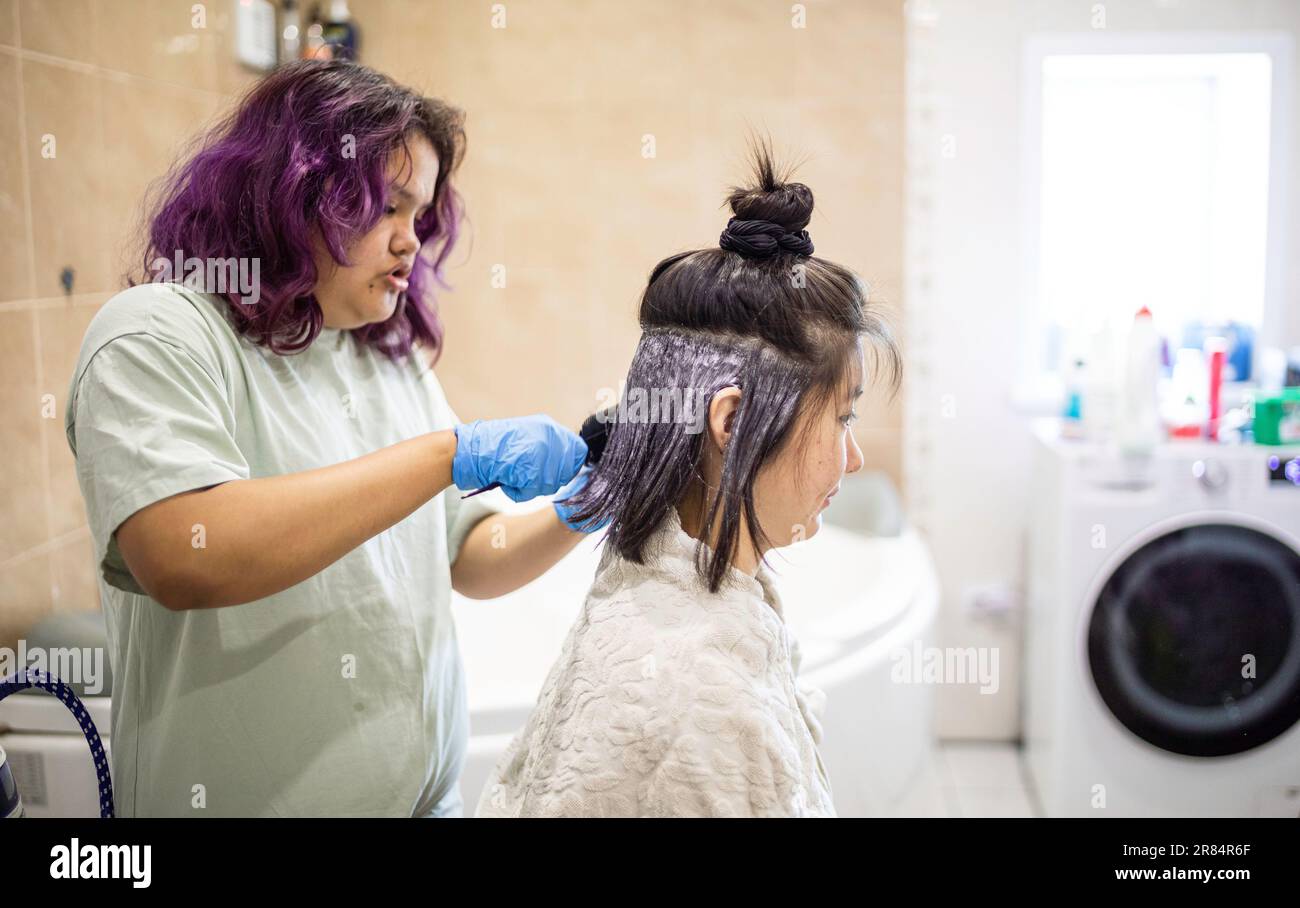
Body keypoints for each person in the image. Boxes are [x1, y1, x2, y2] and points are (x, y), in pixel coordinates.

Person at [65, 60, 597, 817]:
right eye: (388, 207)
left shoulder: (387, 361)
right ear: (298, 190)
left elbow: (469, 557)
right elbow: (187, 555)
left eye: (421, 217)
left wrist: (584, 508)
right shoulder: (159, 334)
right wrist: (449, 455)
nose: (411, 244)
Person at [475, 144, 902, 817]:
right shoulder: (706, 705)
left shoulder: (647, 585)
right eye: (842, 418)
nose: (852, 459)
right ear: (731, 421)